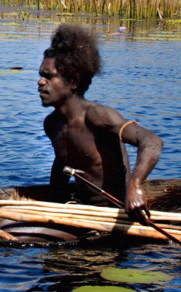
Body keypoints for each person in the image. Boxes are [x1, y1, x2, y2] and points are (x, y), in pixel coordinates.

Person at [39, 24, 162, 214]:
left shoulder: (98, 117)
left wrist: (136, 185)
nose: (40, 82)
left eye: (48, 77)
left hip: (114, 213)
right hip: (82, 210)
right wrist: (52, 203)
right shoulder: (52, 124)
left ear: (73, 82)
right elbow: (62, 162)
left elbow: (152, 141)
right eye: (41, 75)